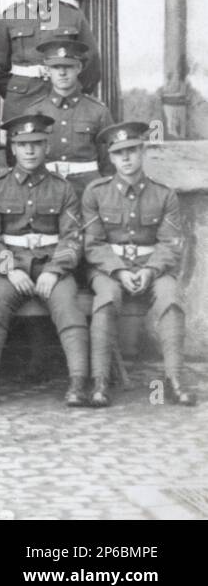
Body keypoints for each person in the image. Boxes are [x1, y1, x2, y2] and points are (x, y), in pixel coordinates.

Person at [0, 114, 90, 407]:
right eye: (22, 144)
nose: (29, 151)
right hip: (10, 267)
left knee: (69, 308)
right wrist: (10, 269)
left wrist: (54, 271)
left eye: (36, 144)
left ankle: (78, 383)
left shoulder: (62, 188)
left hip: (51, 265)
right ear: (12, 149)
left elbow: (72, 238)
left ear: (46, 147)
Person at [82, 121, 196, 407]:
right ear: (110, 157)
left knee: (171, 299)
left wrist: (150, 270)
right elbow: (93, 244)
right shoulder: (96, 192)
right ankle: (100, 381)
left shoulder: (164, 194)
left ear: (142, 151)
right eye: (120, 153)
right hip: (109, 268)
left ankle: (174, 379)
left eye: (132, 150)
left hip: (151, 267)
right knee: (106, 299)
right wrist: (119, 270)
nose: (127, 158)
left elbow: (171, 243)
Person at [0, 0, 99, 120]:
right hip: (21, 102)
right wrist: (14, 91)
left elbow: (91, 62)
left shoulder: (73, 16)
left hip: (64, 101)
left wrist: (72, 92)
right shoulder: (9, 17)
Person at [27, 39, 113, 196]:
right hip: (46, 191)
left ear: (79, 68)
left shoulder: (98, 111)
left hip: (88, 191)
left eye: (68, 66)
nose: (62, 73)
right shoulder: (34, 111)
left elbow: (109, 164)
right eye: (55, 67)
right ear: (47, 70)